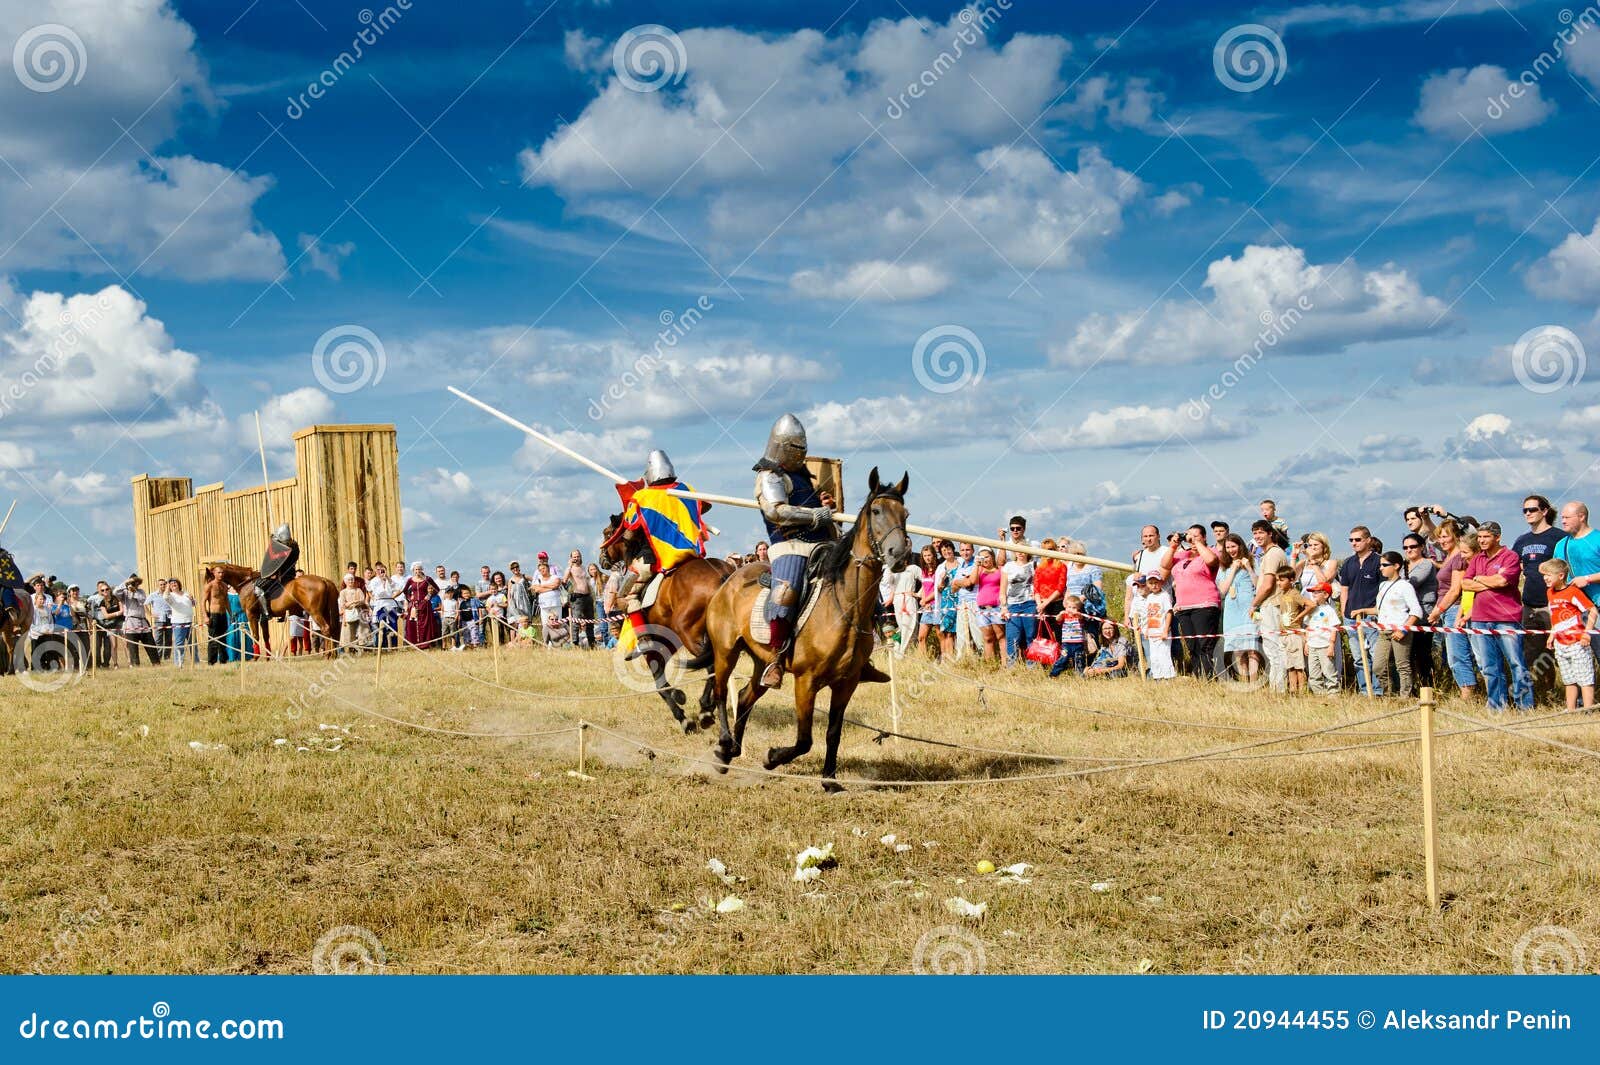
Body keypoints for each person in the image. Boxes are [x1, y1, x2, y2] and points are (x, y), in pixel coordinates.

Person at [1460, 521, 1532, 713]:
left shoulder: (1510, 556)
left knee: (1516, 663)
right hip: (1481, 618)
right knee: (1490, 666)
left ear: (1497, 537)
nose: (1482, 541)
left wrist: (1480, 579)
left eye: (1486, 537)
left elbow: (1502, 581)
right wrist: (1488, 582)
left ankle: (1524, 706)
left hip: (1506, 617)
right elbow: (1465, 584)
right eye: (1480, 537)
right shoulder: (1478, 559)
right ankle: (1496, 706)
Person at [1514, 494, 1565, 701]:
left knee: (1561, 650)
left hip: (1554, 603)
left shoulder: (1558, 537)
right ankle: (1547, 693)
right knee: (1533, 654)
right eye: (1525, 510)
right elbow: (1516, 568)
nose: (1528, 514)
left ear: (1544, 511)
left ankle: (1575, 697)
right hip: (1530, 604)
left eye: (1532, 509)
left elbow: (1564, 568)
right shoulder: (1522, 540)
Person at [1160, 525, 1221, 679]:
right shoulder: (1183, 555)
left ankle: (1209, 676)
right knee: (1191, 645)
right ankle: (1198, 675)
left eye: (1196, 535)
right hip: (1183, 606)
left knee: (1204, 644)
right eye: (1189, 536)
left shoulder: (1211, 551)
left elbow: (1212, 561)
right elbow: (1165, 564)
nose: (1191, 539)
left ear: (1204, 537)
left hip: (1204, 604)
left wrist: (1197, 543)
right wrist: (1173, 546)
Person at [1425, 520, 1477, 700]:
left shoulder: (1458, 558)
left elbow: (1455, 589)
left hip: (1454, 609)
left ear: (1456, 536)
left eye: (1445, 536)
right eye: (1439, 537)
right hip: (1448, 609)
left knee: (1458, 655)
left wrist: (1437, 610)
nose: (1441, 540)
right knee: (1455, 655)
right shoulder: (1449, 557)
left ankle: (1467, 696)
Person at [1541, 559, 1597, 711]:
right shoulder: (1550, 592)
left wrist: (1587, 633)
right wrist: (1552, 635)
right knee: (1568, 679)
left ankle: (1588, 710)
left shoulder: (1572, 592)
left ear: (1560, 575)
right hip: (1561, 643)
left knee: (1584, 678)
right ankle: (1570, 710)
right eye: (1544, 575)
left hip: (1577, 642)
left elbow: (1592, 610)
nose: (1545, 578)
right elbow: (1555, 616)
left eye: (1548, 575)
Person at [1366, 551, 1421, 697]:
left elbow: (1416, 611)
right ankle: (1388, 694)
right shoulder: (1383, 585)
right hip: (1384, 631)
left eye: (1385, 565)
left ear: (1396, 566)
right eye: (1380, 565)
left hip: (1400, 631)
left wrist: (1403, 630)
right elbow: (1380, 609)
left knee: (1402, 665)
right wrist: (1362, 610)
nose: (1381, 568)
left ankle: (1405, 696)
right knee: (1379, 666)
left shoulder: (1405, 586)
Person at [1339, 526, 1384, 695]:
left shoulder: (1379, 561)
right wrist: (1344, 611)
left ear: (1368, 540)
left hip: (1371, 617)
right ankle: (1365, 691)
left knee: (1375, 656)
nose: (1354, 543)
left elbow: (1384, 589)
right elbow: (1344, 589)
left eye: (1358, 539)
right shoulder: (1348, 563)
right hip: (1351, 618)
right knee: (1358, 658)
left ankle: (1379, 691)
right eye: (1351, 540)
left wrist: (1376, 612)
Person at [1555, 501, 1600, 663]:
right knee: (1583, 658)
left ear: (1581, 517)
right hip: (1578, 610)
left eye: (1567, 517)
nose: (1563, 521)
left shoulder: (1597, 539)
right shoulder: (1562, 544)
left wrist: (1587, 579)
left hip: (1597, 602)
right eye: (1562, 518)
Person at [1250, 521, 1291, 690]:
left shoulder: (1274, 554)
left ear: (1270, 534)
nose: (1257, 536)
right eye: (1255, 533)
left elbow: (1267, 585)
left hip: (1272, 605)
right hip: (1268, 605)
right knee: (1271, 649)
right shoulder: (1268, 554)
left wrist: (1254, 604)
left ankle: (1278, 688)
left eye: (1261, 532)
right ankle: (1276, 687)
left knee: (1275, 649)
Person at [1217, 533, 1260, 686]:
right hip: (1232, 611)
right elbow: (1223, 590)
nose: (1230, 550)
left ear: (1240, 546)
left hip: (1247, 609)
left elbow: (1258, 585)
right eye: (1227, 547)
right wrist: (1233, 569)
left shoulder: (1253, 562)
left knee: (1251, 649)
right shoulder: (1224, 567)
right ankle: (1245, 682)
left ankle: (1254, 682)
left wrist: (1248, 567)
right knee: (1238, 650)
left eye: (1233, 546)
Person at [1401, 533, 1438, 690]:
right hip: (1406, 614)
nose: (1409, 550)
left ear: (1422, 547)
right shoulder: (1404, 566)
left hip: (1423, 613)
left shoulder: (1426, 564)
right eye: (1405, 547)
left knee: (1423, 654)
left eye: (1413, 546)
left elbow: (1409, 585)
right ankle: (1413, 688)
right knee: (1408, 655)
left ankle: (1428, 687)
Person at [1272, 569, 1309, 693]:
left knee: (1299, 666)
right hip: (1285, 634)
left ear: (1292, 580)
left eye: (1282, 580)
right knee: (1290, 666)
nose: (1279, 583)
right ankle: (1293, 691)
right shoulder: (1283, 595)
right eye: (1277, 580)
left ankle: (1302, 691)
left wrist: (1300, 616)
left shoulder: (1294, 594)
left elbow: (1310, 605)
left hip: (1295, 634)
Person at [1000, 538, 1035, 663]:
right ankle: (1012, 666)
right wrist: (1004, 607)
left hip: (1029, 603)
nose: (1020, 553)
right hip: (1012, 605)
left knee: (1030, 637)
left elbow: (1037, 586)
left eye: (1023, 550)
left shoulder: (1033, 565)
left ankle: (1032, 667)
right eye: (1017, 550)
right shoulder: (1008, 566)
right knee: (1012, 637)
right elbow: (1002, 590)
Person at [1303, 583, 1341, 696]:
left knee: (1329, 672)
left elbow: (1334, 628)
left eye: (1316, 592)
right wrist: (1306, 643)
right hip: (1312, 645)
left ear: (1325, 594)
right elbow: (1308, 627)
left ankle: (1333, 694)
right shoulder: (1311, 609)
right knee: (1313, 674)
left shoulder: (1329, 610)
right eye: (1312, 592)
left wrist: (1331, 645)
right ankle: (1320, 695)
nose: (1313, 594)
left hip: (1324, 646)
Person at [116, 575, 160, 666]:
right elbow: (115, 592)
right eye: (132, 582)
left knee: (151, 644)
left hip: (143, 621)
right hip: (131, 622)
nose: (134, 584)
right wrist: (125, 583)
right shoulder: (123, 593)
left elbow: (143, 600)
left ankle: (156, 663)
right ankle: (136, 665)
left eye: (135, 582)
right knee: (133, 647)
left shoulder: (141, 592)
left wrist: (134, 592)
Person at [969, 547, 1004, 660]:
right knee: (987, 638)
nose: (985, 559)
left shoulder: (1000, 570)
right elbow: (972, 581)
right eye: (982, 557)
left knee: (1000, 636)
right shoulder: (980, 571)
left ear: (992, 557)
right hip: (982, 609)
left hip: (996, 608)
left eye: (987, 556)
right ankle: (990, 664)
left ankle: (1005, 664)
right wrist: (976, 565)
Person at [1141, 573, 1175, 680]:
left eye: (1156, 583)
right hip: (1152, 631)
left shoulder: (1164, 596)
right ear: (1147, 584)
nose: (1154, 585)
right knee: (1154, 656)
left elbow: (1169, 613)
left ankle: (1168, 677)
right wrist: (1146, 630)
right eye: (1151, 583)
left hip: (1162, 631)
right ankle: (1157, 676)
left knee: (1164, 655)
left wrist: (1166, 630)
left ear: (1160, 583)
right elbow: (1147, 615)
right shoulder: (1149, 597)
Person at [894, 547, 925, 657]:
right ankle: (898, 652)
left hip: (909, 599)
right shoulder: (893, 570)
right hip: (897, 600)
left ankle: (902, 655)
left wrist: (918, 594)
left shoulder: (913, 568)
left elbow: (926, 581)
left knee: (910, 626)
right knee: (901, 627)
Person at [403, 562, 440, 649]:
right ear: (413, 570)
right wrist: (410, 598)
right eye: (416, 569)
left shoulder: (427, 579)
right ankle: (415, 643)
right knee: (413, 623)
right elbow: (405, 591)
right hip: (414, 605)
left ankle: (426, 643)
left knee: (425, 624)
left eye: (419, 569)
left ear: (422, 570)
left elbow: (437, 589)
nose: (418, 571)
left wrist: (429, 596)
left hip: (425, 604)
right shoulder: (410, 580)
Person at [1049, 595, 1088, 676]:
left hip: (1078, 644)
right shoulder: (1064, 617)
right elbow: (1057, 619)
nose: (1071, 610)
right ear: (1065, 607)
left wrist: (1076, 613)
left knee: (1079, 660)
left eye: (1074, 607)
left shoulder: (1078, 617)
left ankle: (1080, 676)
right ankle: (1053, 674)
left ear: (1078, 609)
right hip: (1066, 644)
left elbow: (1081, 617)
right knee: (1063, 658)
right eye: (1069, 607)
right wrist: (1060, 613)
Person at [564, 550, 596, 649]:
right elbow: (564, 580)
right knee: (576, 621)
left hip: (587, 597)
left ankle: (592, 643)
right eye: (574, 557)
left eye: (578, 556)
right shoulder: (570, 569)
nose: (576, 558)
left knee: (590, 621)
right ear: (571, 558)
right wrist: (569, 566)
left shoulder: (583, 568)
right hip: (577, 597)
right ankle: (575, 643)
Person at [913, 544, 940, 658]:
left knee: (941, 635)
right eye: (925, 556)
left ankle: (946, 659)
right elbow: (925, 587)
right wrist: (922, 598)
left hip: (937, 605)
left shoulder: (939, 569)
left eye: (929, 555)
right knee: (921, 637)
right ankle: (922, 661)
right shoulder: (924, 570)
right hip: (927, 607)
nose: (927, 558)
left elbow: (938, 589)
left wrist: (925, 600)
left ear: (934, 555)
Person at [89, 579, 122, 669]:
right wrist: (90, 623)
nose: (103, 590)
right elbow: (88, 611)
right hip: (97, 624)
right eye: (100, 588)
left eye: (104, 588)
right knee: (97, 646)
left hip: (108, 624)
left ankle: (106, 664)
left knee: (108, 646)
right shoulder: (92, 598)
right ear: (97, 588)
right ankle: (98, 664)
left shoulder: (109, 598)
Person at [368, 563, 402, 649]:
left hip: (391, 604)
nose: (380, 571)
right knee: (382, 626)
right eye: (378, 570)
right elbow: (378, 592)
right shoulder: (374, 581)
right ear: (376, 571)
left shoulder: (388, 579)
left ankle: (394, 646)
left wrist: (387, 578)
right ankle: (382, 647)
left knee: (393, 625)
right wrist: (382, 582)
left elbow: (398, 588)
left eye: (382, 570)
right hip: (380, 604)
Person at [531, 556, 563, 645]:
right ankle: (547, 644)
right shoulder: (538, 579)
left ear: (548, 568)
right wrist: (551, 588)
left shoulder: (554, 577)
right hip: (544, 605)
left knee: (557, 623)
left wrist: (543, 586)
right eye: (540, 569)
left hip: (555, 603)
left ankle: (558, 643)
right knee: (545, 624)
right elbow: (536, 589)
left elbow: (556, 584)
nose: (542, 570)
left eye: (543, 568)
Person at [203, 567, 230, 665]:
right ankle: (211, 662)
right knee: (213, 639)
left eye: (222, 572)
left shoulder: (224, 585)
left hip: (223, 614)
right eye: (219, 572)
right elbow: (203, 602)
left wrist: (230, 614)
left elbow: (226, 601)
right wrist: (205, 616)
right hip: (213, 614)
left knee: (223, 638)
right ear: (214, 573)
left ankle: (223, 660)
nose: (221, 574)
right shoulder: (209, 586)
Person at [166, 579, 196, 668]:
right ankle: (179, 663)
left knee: (193, 644)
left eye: (175, 582)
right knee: (179, 644)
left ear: (179, 584)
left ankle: (196, 662)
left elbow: (194, 604)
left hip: (190, 621)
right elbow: (165, 597)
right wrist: (167, 588)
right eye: (171, 584)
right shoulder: (170, 595)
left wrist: (192, 599)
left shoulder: (186, 593)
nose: (173, 584)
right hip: (178, 623)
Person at [339, 573, 368, 654]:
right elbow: (343, 604)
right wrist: (353, 602)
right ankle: (349, 650)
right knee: (348, 631)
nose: (351, 581)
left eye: (352, 579)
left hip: (359, 613)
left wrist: (352, 603)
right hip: (348, 614)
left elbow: (362, 600)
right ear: (345, 581)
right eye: (349, 580)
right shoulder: (343, 592)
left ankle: (362, 649)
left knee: (361, 631)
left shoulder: (358, 590)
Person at [149, 578, 172, 661]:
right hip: (159, 620)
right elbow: (145, 604)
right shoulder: (153, 595)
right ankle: (158, 658)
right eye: (161, 584)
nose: (162, 586)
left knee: (169, 640)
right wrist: (150, 615)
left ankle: (167, 658)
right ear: (158, 585)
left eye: (164, 584)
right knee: (158, 639)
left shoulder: (170, 594)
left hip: (169, 618)